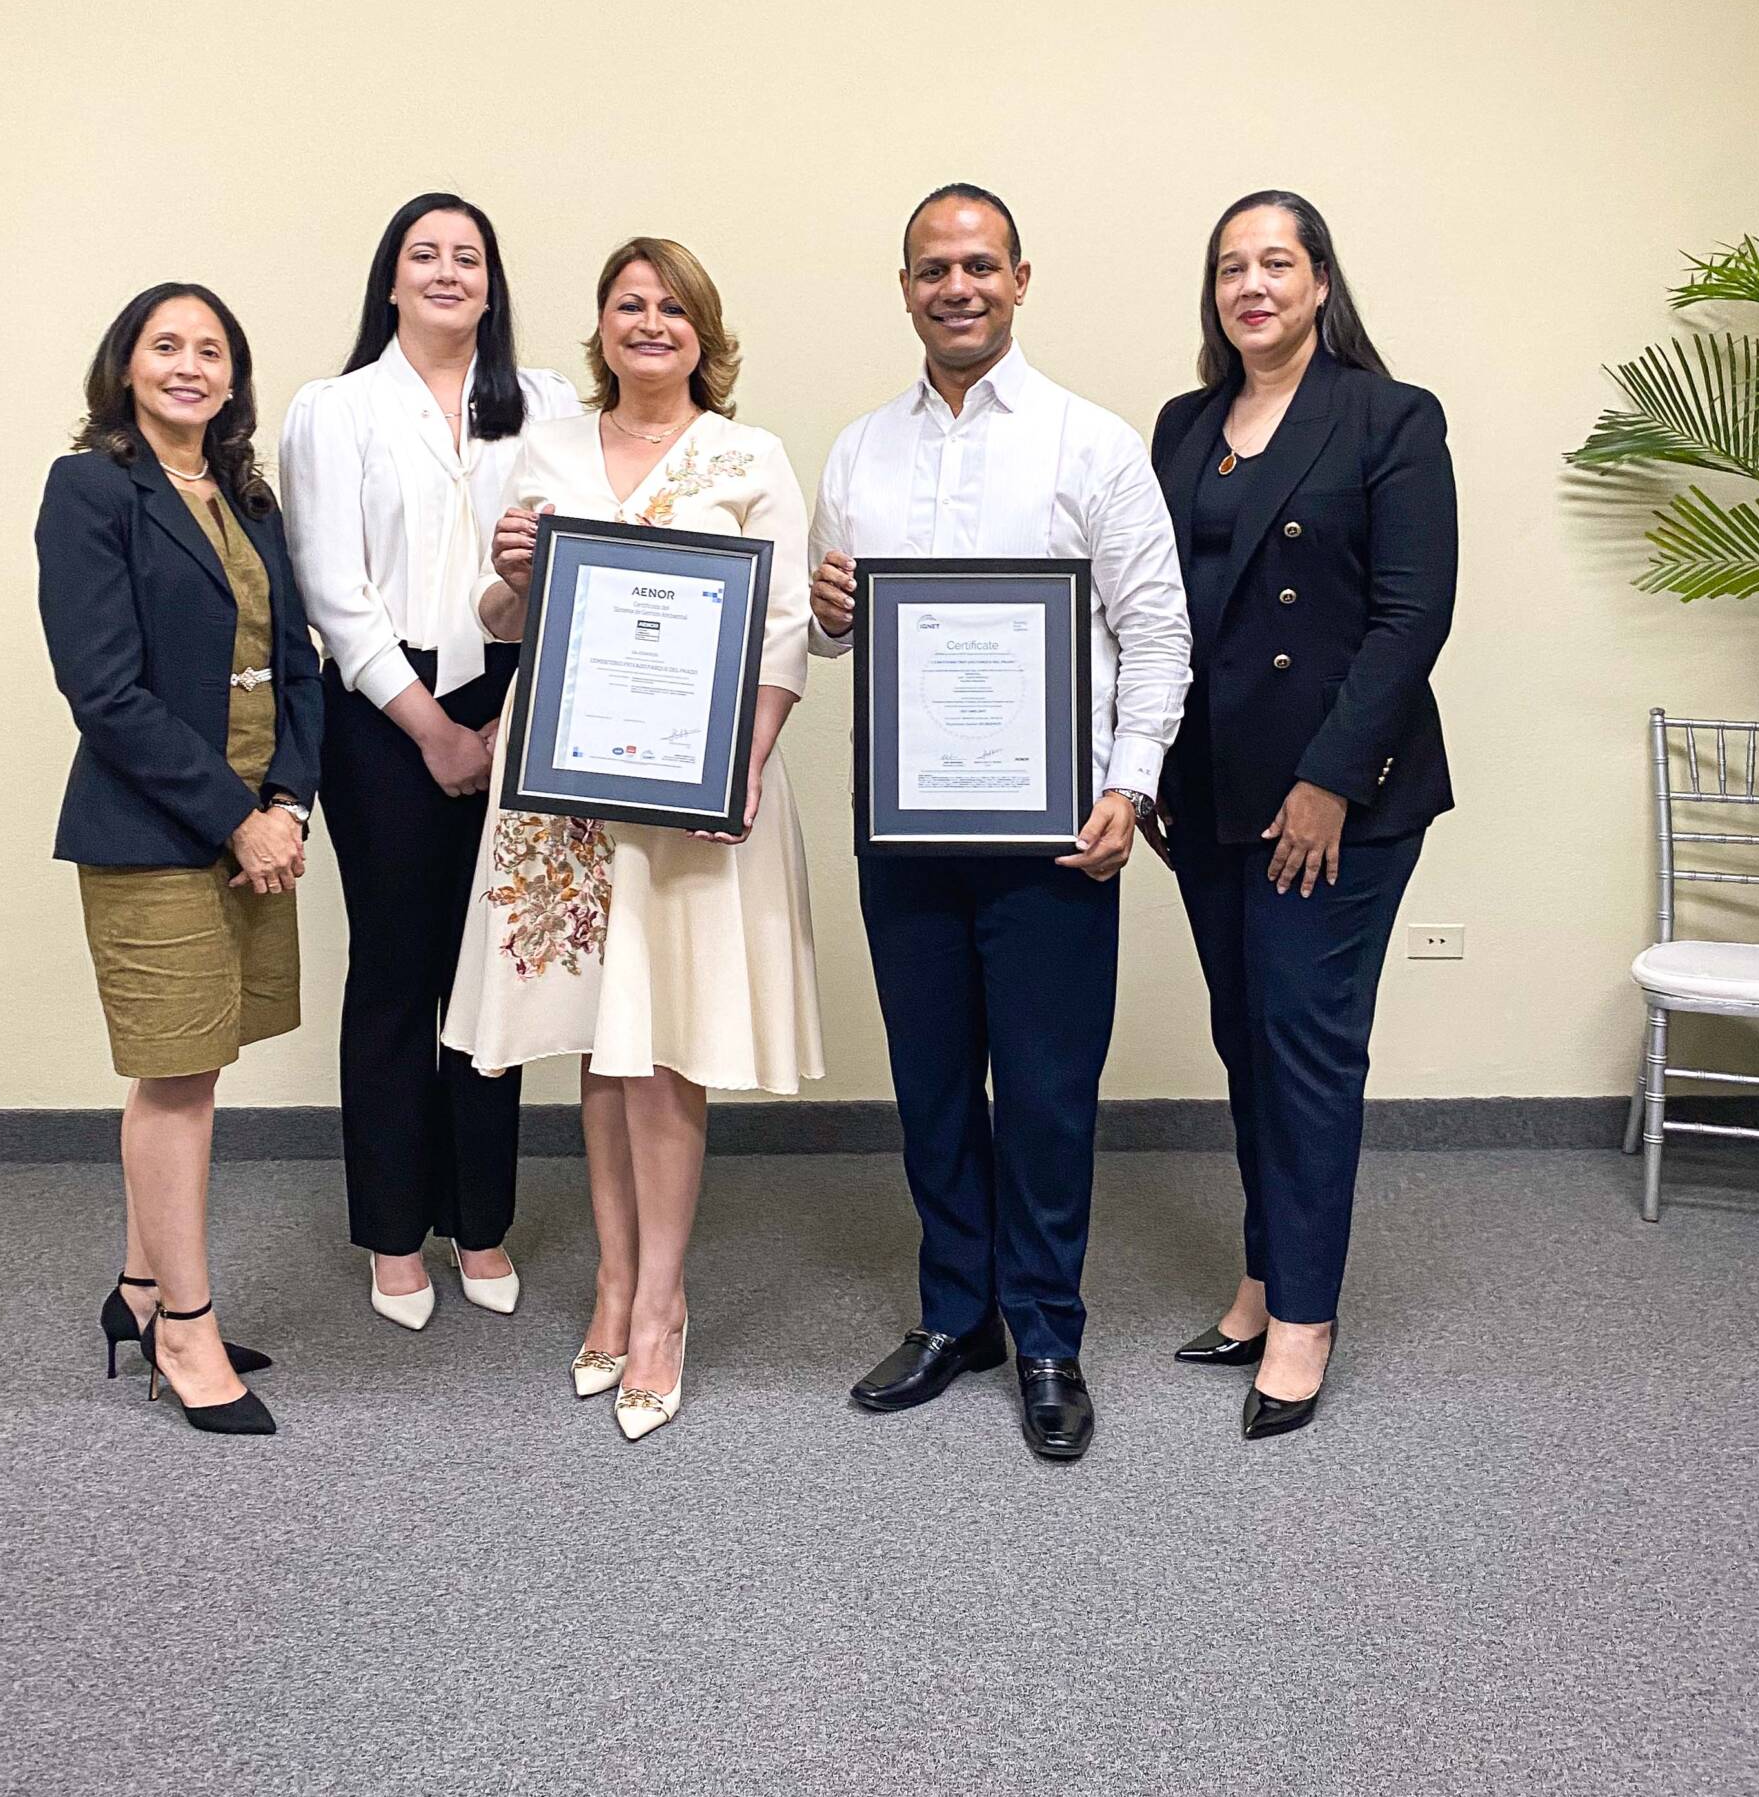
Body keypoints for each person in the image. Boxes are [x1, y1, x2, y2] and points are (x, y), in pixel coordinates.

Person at [811, 185, 1191, 1463]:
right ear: (905, 288)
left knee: (1045, 1095)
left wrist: (1129, 789)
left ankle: (1045, 1334)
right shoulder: (860, 451)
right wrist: (828, 610)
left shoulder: (1094, 443)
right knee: (929, 1088)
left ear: (1021, 279)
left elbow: (1158, 635)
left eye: (980, 265)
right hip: (907, 831)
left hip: (1056, 832)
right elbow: (837, 629)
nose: (956, 287)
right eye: (933, 268)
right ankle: (954, 1315)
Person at [443, 236, 823, 1441]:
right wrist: (508, 573)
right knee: (599, 1046)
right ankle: (612, 1280)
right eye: (628, 304)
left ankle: (662, 1304)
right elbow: (504, 615)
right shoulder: (548, 446)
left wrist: (743, 766)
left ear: (705, 331)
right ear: (601, 326)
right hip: (563, 786)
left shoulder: (749, 457)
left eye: (672, 307)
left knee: (663, 1047)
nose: (649, 323)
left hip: (692, 786)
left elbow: (784, 627)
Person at [1151, 191, 1456, 1440]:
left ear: (1321, 281)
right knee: (1246, 1037)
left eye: (1276, 262)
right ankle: (1264, 1274)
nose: (1253, 285)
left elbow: (1411, 616)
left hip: (1335, 796)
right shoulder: (1184, 425)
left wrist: (1331, 779)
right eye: (1232, 266)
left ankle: (1306, 1316)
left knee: (1305, 1047)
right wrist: (1139, 765)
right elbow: (1149, 604)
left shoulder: (1389, 417)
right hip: (1209, 789)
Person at [280, 197, 580, 1330]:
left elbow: (584, 554)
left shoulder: (546, 403)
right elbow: (332, 592)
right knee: (398, 972)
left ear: (492, 284)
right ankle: (395, 1235)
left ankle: (481, 1222)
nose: (448, 271)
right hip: (382, 713)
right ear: (392, 280)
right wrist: (435, 731)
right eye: (425, 255)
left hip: (520, 696)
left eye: (469, 256)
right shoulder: (336, 409)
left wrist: (513, 717)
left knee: (497, 972)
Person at [36, 284, 321, 1438]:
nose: (190, 364)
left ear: (233, 377)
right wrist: (234, 819)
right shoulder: (90, 490)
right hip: (156, 831)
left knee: (197, 1065)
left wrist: (288, 799)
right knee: (177, 1075)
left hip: (257, 820)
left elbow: (295, 662)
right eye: (167, 345)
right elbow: (103, 690)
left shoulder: (248, 496)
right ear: (127, 365)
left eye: (212, 349)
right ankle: (187, 1332)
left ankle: (139, 1289)